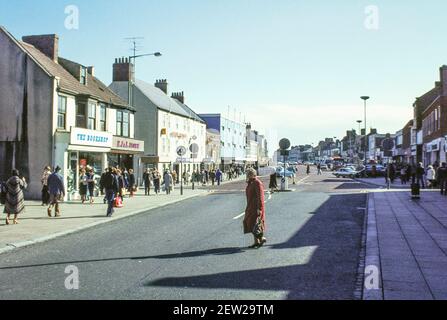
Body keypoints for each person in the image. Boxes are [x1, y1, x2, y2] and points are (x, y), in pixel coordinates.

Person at [243, 168, 266, 249]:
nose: (248, 175)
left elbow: (260, 196)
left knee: (256, 224)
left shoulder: (257, 182)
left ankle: (261, 239)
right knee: (250, 222)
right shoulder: (251, 182)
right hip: (250, 206)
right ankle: (256, 242)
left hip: (256, 207)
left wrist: (259, 208)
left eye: (249, 173)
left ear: (253, 174)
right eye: (247, 174)